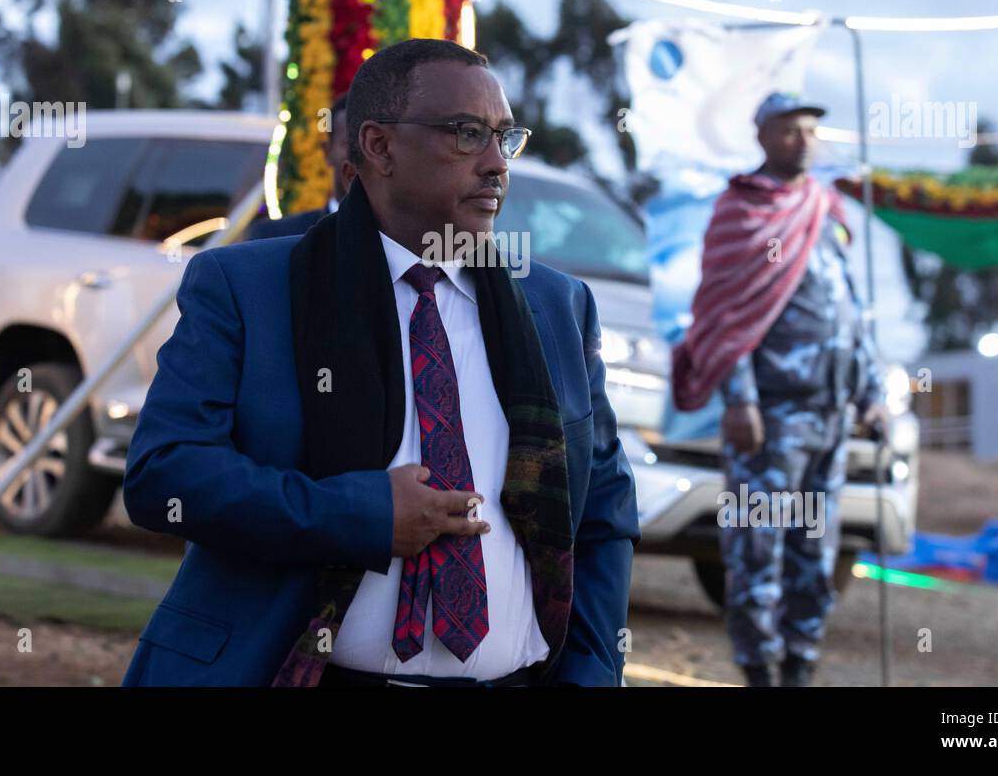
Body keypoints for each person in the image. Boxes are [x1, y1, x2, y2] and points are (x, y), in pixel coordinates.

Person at [122, 38, 641, 687]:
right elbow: (163, 475)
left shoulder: (558, 305)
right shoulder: (248, 287)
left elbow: (606, 508)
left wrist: (593, 670)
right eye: (465, 134)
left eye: (505, 138)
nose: (495, 165)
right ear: (378, 146)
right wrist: (359, 514)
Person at [671, 91, 887, 687]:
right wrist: (739, 398)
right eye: (790, 131)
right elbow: (723, 314)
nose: (804, 141)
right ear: (763, 135)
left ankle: (799, 665)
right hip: (770, 417)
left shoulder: (826, 208)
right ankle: (758, 669)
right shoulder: (741, 212)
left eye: (812, 131)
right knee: (756, 548)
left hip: (832, 417)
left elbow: (852, 307)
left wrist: (872, 389)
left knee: (815, 553)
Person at [246, 93, 355, 240]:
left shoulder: (395, 236)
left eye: (374, 144)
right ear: (327, 151)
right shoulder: (277, 236)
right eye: (350, 144)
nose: (363, 154)